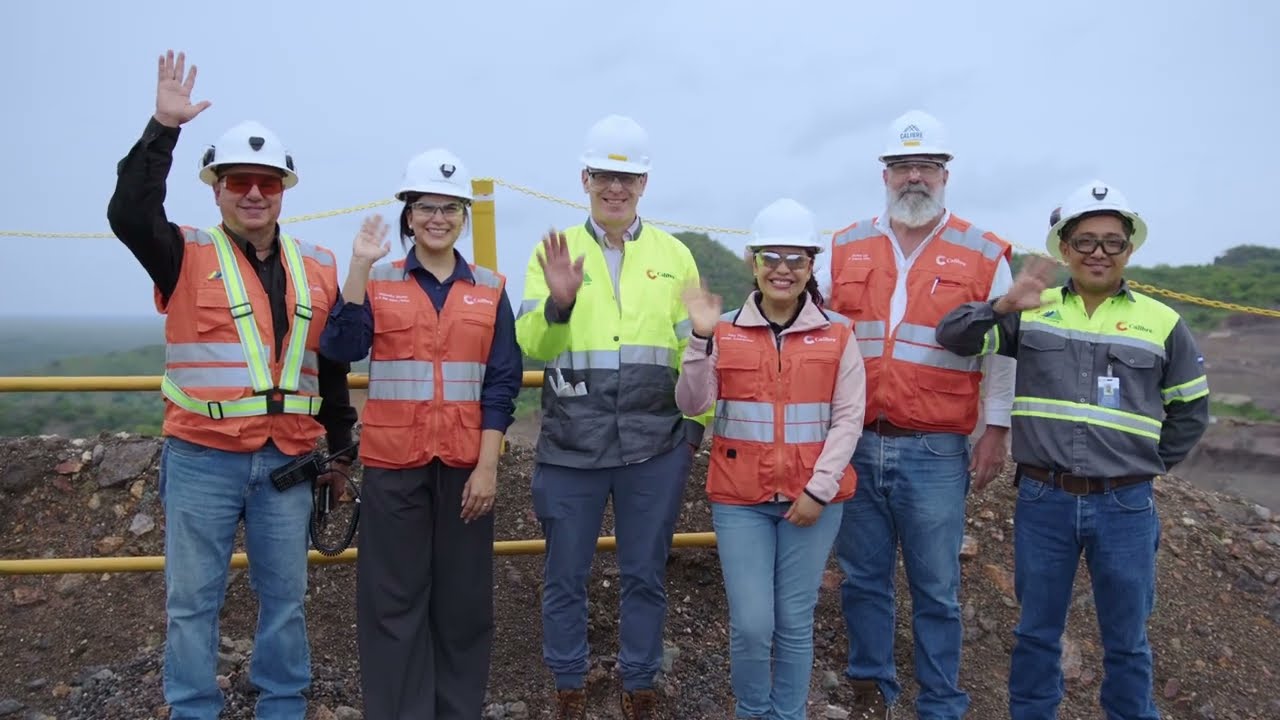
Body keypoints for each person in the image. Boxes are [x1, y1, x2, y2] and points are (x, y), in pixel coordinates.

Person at [105, 50, 357, 720]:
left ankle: (282, 705)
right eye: (239, 180)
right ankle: (193, 709)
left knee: (286, 600)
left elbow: (328, 369)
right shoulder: (181, 253)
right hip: (202, 459)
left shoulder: (319, 267)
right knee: (192, 604)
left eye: (267, 182)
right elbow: (129, 213)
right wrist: (163, 127)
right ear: (215, 187)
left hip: (288, 460)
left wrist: (340, 451)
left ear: (284, 189)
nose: (253, 192)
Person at [936, 180, 1211, 720]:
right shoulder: (1033, 311)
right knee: (1037, 632)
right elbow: (953, 336)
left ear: (1129, 250)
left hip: (1126, 505)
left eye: (1112, 242)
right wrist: (1002, 305)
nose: (1098, 253)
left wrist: (1146, 468)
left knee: (1127, 639)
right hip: (1045, 500)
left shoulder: (1163, 322)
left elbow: (1190, 410)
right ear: (1065, 248)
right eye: (1085, 241)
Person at [515, 114, 710, 720]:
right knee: (564, 574)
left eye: (627, 177)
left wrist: (693, 429)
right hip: (572, 445)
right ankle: (568, 682)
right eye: (604, 175)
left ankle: (640, 681)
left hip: (654, 446)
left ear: (644, 183)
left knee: (644, 572)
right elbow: (533, 346)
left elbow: (693, 347)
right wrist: (559, 303)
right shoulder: (554, 253)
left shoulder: (675, 256)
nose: (615, 188)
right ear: (585, 178)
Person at [318, 149, 522, 718]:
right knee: (392, 606)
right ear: (408, 214)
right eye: (427, 206)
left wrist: (487, 467)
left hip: (463, 470)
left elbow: (502, 383)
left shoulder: (488, 287)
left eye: (451, 208)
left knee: (463, 607)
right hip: (394, 467)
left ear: (463, 217)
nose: (439, 218)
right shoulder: (378, 280)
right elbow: (341, 348)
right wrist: (358, 266)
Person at [826, 109, 1016, 719]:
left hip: (935, 448)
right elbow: (822, 338)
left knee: (937, 589)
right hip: (857, 439)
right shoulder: (844, 246)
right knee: (862, 580)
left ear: (944, 174)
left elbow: (1006, 351)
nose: (914, 177)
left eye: (926, 166)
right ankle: (870, 694)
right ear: (884, 173)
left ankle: (940, 705)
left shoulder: (984, 253)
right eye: (902, 165)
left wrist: (997, 428)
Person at [675, 198, 866, 720]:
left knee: (795, 620)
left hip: (813, 501)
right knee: (753, 622)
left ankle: (789, 715)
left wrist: (819, 490)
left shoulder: (838, 334)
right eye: (771, 258)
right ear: (752, 262)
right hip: (740, 499)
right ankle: (752, 712)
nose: (783, 270)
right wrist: (699, 338)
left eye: (796, 260)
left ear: (810, 266)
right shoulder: (725, 328)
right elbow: (692, 404)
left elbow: (849, 419)